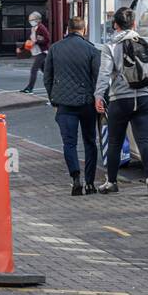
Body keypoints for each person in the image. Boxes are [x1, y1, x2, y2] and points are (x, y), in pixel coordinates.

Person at [94, 6, 148, 195]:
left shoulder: (110, 46)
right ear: (134, 24)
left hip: (120, 100)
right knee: (144, 140)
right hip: (143, 98)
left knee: (115, 142)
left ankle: (112, 182)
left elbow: (105, 74)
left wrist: (99, 95)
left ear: (115, 25)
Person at [44, 15, 101, 196]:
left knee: (69, 143)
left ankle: (75, 177)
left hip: (65, 104)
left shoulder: (55, 49)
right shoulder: (92, 50)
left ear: (67, 30)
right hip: (87, 104)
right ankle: (90, 182)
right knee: (90, 142)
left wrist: (54, 98)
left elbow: (47, 78)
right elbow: (98, 78)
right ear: (83, 30)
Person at [21, 11, 51, 93]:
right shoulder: (34, 28)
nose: (30, 21)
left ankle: (29, 88)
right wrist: (22, 48)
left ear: (38, 20)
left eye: (32, 19)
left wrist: (36, 42)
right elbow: (31, 39)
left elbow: (47, 39)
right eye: (30, 19)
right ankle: (54, 84)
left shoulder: (42, 28)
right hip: (36, 51)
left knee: (34, 70)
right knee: (45, 71)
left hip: (42, 52)